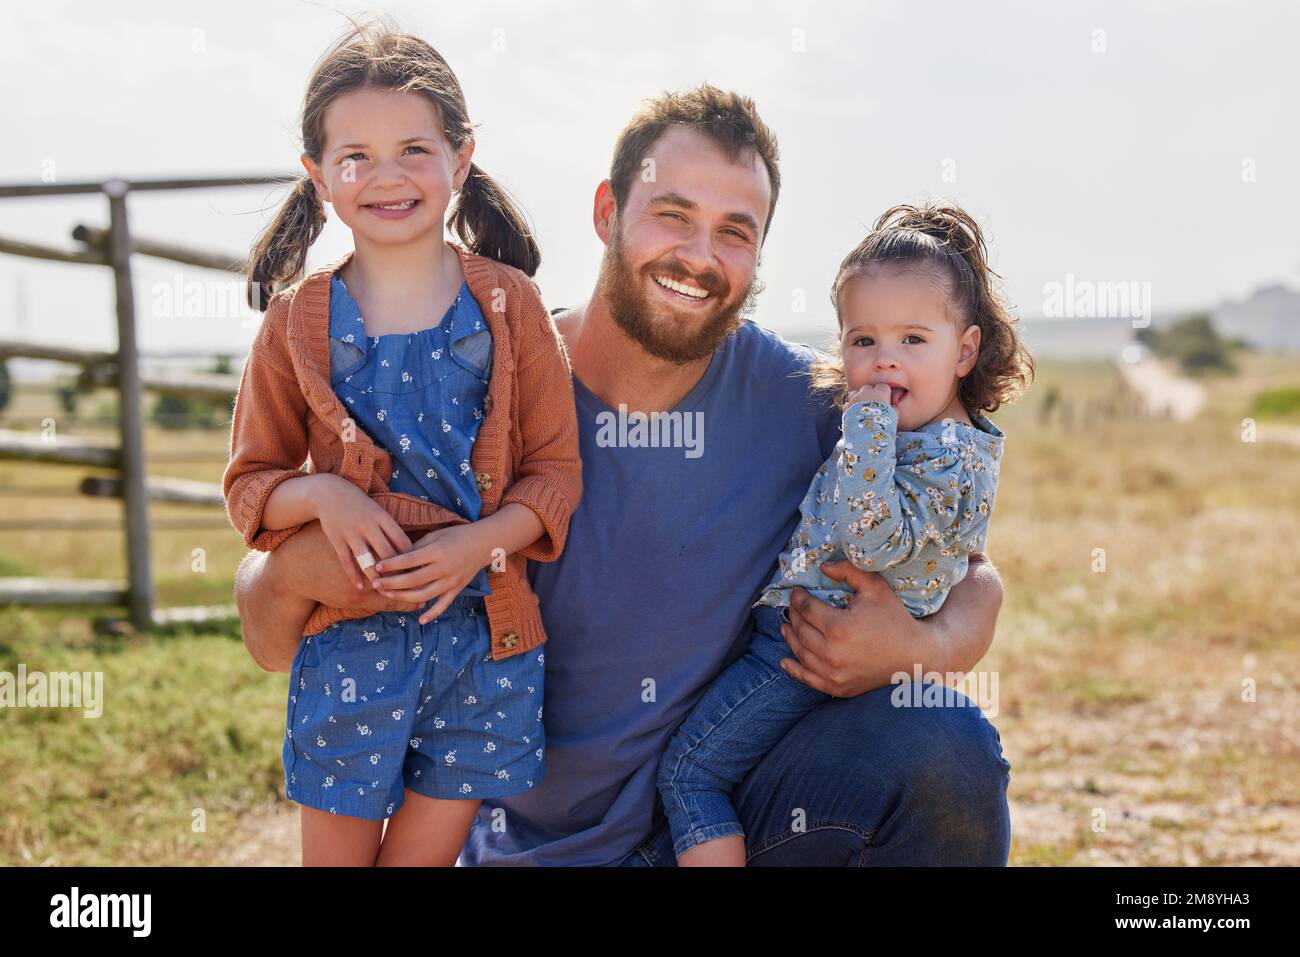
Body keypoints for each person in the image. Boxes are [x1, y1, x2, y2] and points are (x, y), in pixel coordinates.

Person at [236, 84, 1014, 866]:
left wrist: (923, 644)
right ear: (607, 211)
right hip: (514, 847)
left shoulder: (809, 403)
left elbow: (974, 569)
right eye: (672, 215)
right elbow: (266, 626)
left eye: (735, 232)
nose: (700, 256)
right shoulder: (482, 378)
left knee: (945, 748)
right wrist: (320, 558)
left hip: (717, 830)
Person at [222, 22, 581, 866]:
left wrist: (479, 545)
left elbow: (554, 475)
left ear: (460, 160)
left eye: (414, 149)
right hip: (351, 644)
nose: (386, 176)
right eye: (356, 157)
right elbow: (251, 484)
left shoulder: (511, 305)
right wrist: (323, 495)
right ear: (319, 178)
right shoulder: (296, 324)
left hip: (488, 646)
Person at [657, 202, 1034, 865]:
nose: (884, 362)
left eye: (912, 340)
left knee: (691, 775)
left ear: (965, 349)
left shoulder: (920, 446)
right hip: (813, 648)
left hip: (807, 642)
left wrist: (864, 426)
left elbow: (874, 543)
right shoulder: (929, 438)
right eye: (863, 341)